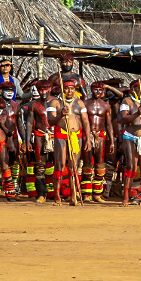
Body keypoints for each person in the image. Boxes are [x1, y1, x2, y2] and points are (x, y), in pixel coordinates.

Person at [46, 78, 91, 206]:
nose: (69, 91)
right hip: (61, 135)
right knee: (59, 166)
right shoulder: (55, 102)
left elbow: (86, 121)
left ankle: (73, 196)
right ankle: (57, 196)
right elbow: (50, 121)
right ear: (62, 89)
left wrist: (87, 139)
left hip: (76, 136)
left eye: (72, 88)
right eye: (66, 88)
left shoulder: (80, 103)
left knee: (74, 167)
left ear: (75, 89)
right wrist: (61, 114)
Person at [83, 82, 115, 203]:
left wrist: (111, 141)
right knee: (87, 166)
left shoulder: (106, 106)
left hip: (101, 137)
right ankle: (86, 194)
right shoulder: (85, 104)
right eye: (95, 89)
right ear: (91, 90)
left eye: (100, 90)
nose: (98, 92)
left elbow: (109, 124)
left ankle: (97, 194)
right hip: (87, 136)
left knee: (100, 166)